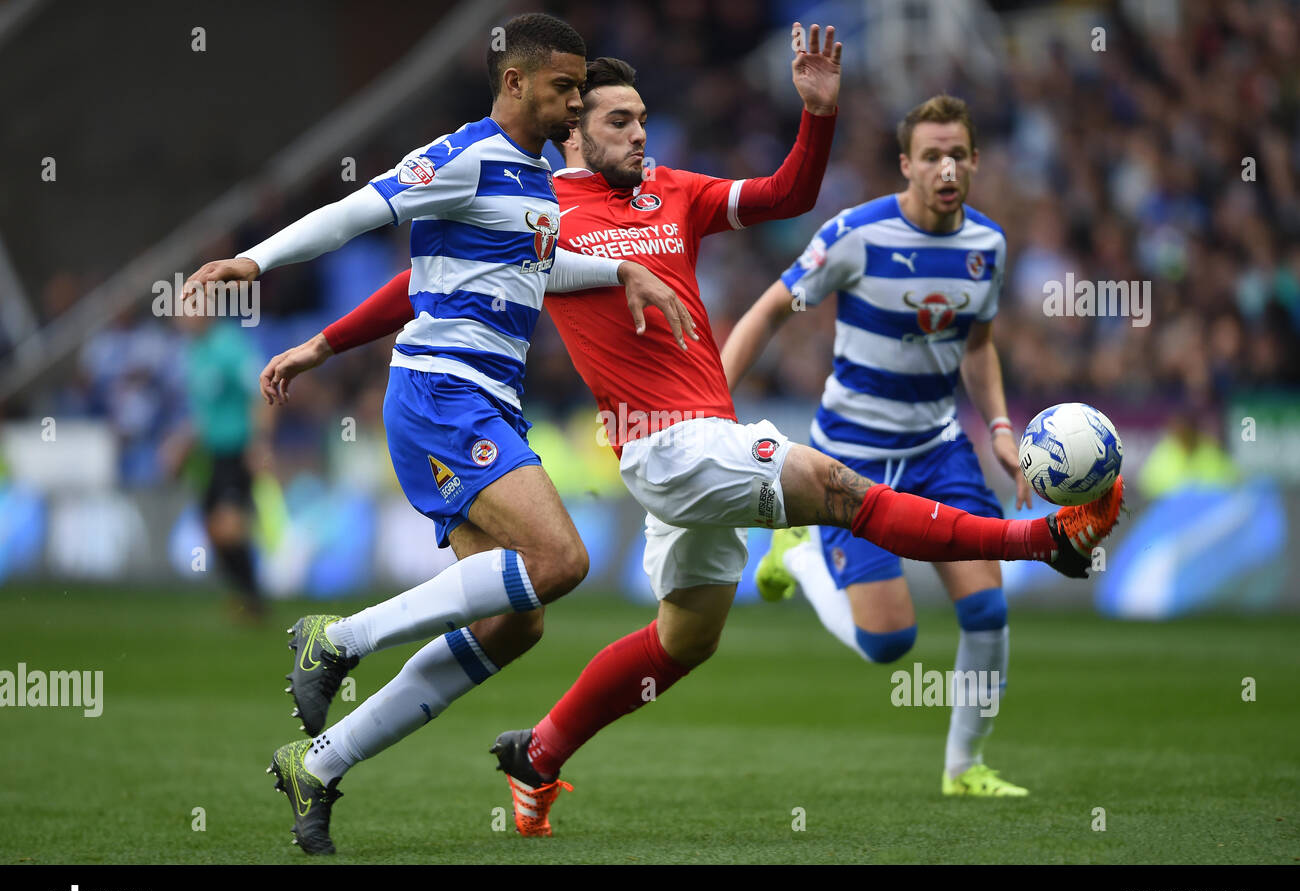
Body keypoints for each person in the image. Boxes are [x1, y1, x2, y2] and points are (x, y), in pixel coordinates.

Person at [276, 34, 1122, 840]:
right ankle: (1041, 538)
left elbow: (786, 195)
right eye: (619, 120)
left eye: (644, 118)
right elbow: (418, 284)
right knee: (836, 491)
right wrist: (325, 342)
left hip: (703, 436)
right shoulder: (543, 208)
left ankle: (535, 753)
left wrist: (817, 116)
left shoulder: (675, 190)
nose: (641, 132)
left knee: (684, 639)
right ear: (573, 133)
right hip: (661, 446)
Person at [183, 12, 692, 855]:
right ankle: (335, 638)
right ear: (515, 82)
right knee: (561, 560)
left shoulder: (531, 175)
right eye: (564, 87)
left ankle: (320, 761)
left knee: (516, 622)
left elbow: (537, 265)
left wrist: (622, 267)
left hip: (484, 401)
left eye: (580, 89)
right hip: (441, 393)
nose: (575, 102)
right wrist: (257, 262)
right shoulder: (461, 157)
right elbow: (360, 211)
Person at [723, 94, 1035, 797]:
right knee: (889, 643)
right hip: (851, 459)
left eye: (958, 153)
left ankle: (964, 767)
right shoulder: (854, 235)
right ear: (907, 165)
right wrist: (713, 401)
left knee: (987, 608)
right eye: (931, 155)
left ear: (975, 161)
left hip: (938, 449)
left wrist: (1003, 428)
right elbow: (771, 308)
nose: (946, 166)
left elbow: (979, 346)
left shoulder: (987, 247)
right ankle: (799, 554)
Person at [160, 307, 270, 620]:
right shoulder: (193, 352)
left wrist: (259, 441)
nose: (180, 320)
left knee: (228, 526)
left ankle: (253, 596)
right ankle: (245, 596)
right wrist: (181, 444)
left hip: (236, 449)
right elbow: (204, 410)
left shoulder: (230, 346)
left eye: (187, 312)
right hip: (210, 453)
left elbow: (260, 391)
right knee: (212, 528)